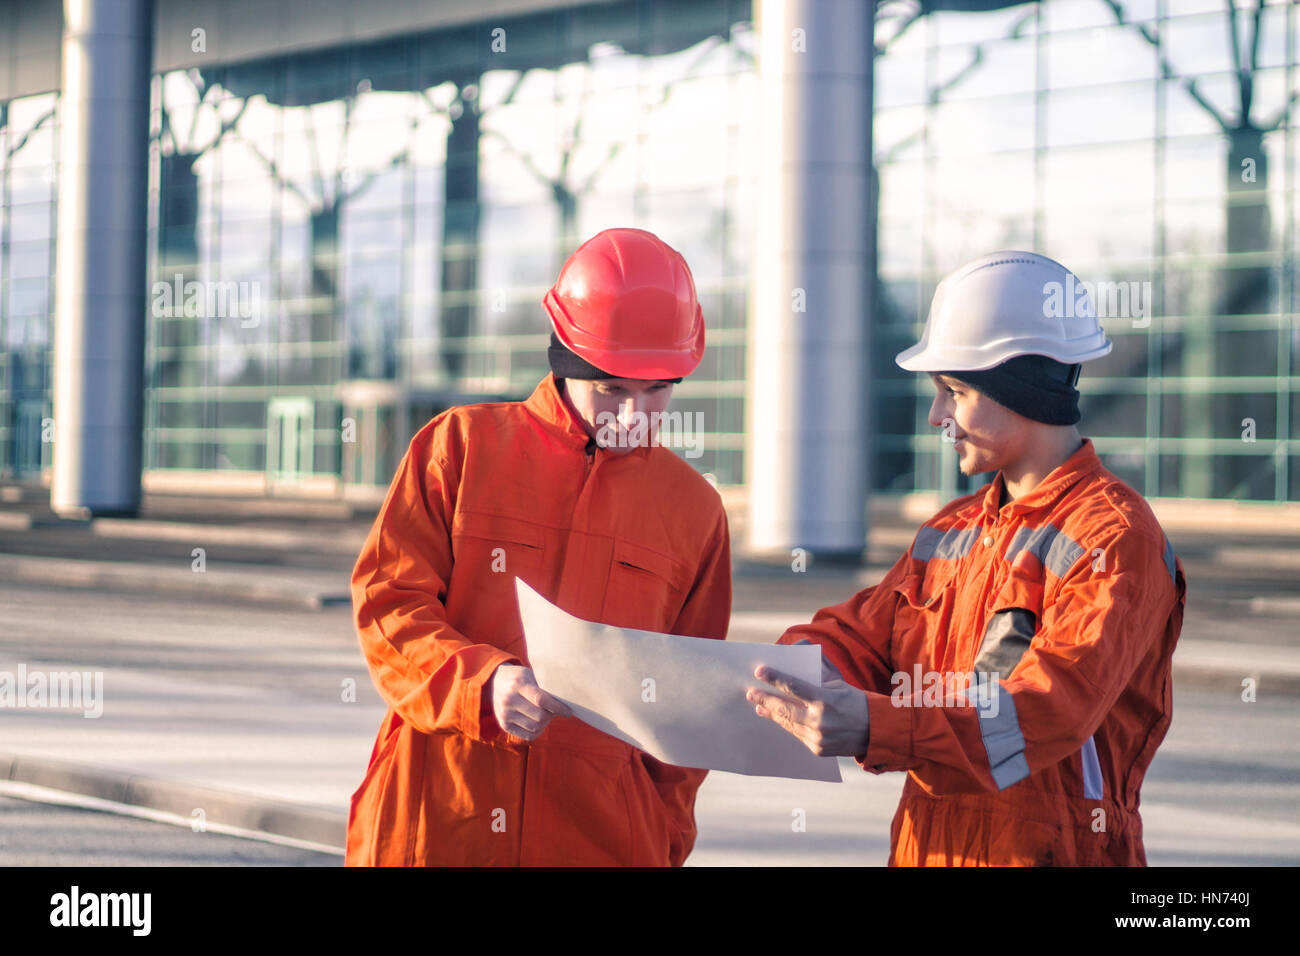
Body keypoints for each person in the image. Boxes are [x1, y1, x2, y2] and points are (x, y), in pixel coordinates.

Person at [748, 251, 1187, 866]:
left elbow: (1046, 709)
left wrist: (877, 725)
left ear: (1024, 389)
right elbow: (863, 637)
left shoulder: (1114, 538)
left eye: (953, 391)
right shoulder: (949, 533)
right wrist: (790, 667)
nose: (937, 416)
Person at [345, 227, 731, 866]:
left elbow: (687, 710)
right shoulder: (459, 449)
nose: (634, 417)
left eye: (658, 390)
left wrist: (660, 837)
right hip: (440, 825)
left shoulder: (694, 511)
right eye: (612, 389)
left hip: (602, 842)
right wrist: (482, 686)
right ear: (565, 363)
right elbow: (388, 609)